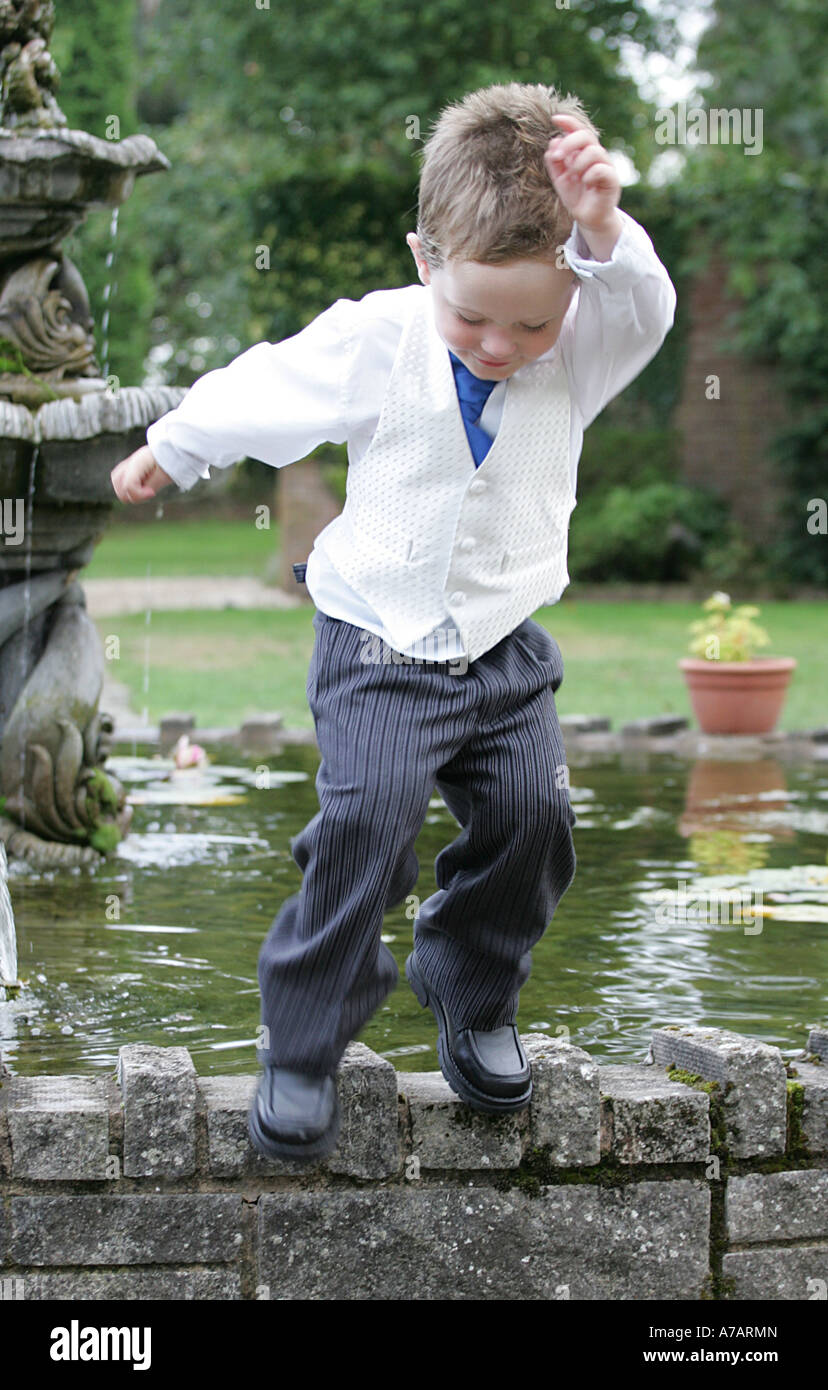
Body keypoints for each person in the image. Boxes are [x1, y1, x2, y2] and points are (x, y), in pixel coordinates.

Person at [111, 81, 676, 1163]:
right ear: (426, 260)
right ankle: (305, 1036)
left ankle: (469, 989)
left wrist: (603, 225)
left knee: (535, 818)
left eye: (533, 321)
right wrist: (176, 445)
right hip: (375, 638)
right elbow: (269, 386)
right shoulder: (381, 336)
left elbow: (641, 305)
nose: (502, 345)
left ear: (571, 299)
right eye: (474, 314)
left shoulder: (585, 342)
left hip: (503, 645)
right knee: (369, 822)